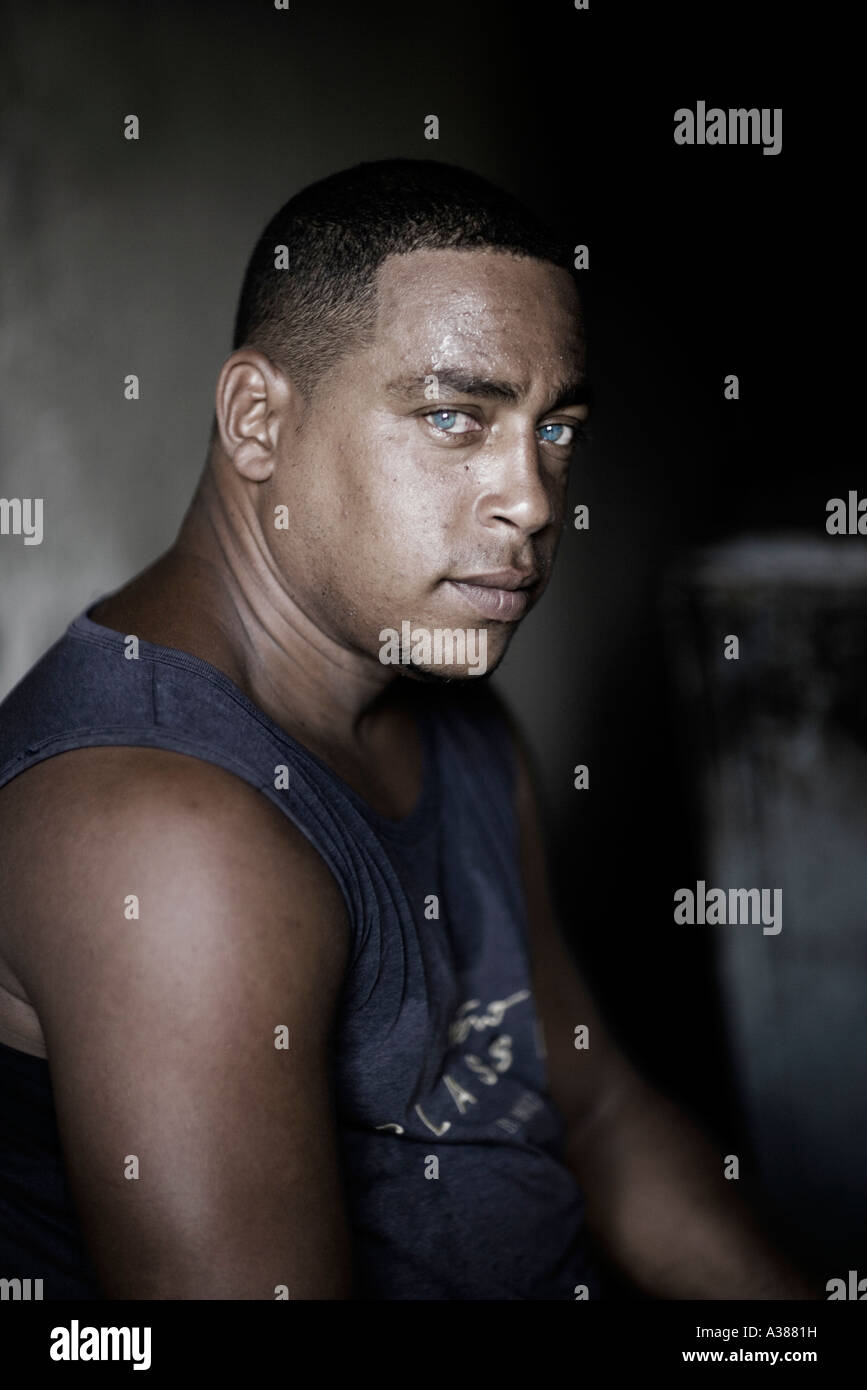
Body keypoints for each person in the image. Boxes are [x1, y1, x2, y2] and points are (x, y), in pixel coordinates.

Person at [0, 159, 814, 1299]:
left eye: (557, 429)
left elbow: (601, 1111)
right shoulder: (165, 832)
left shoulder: (446, 703)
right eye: (452, 417)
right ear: (256, 422)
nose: (530, 498)